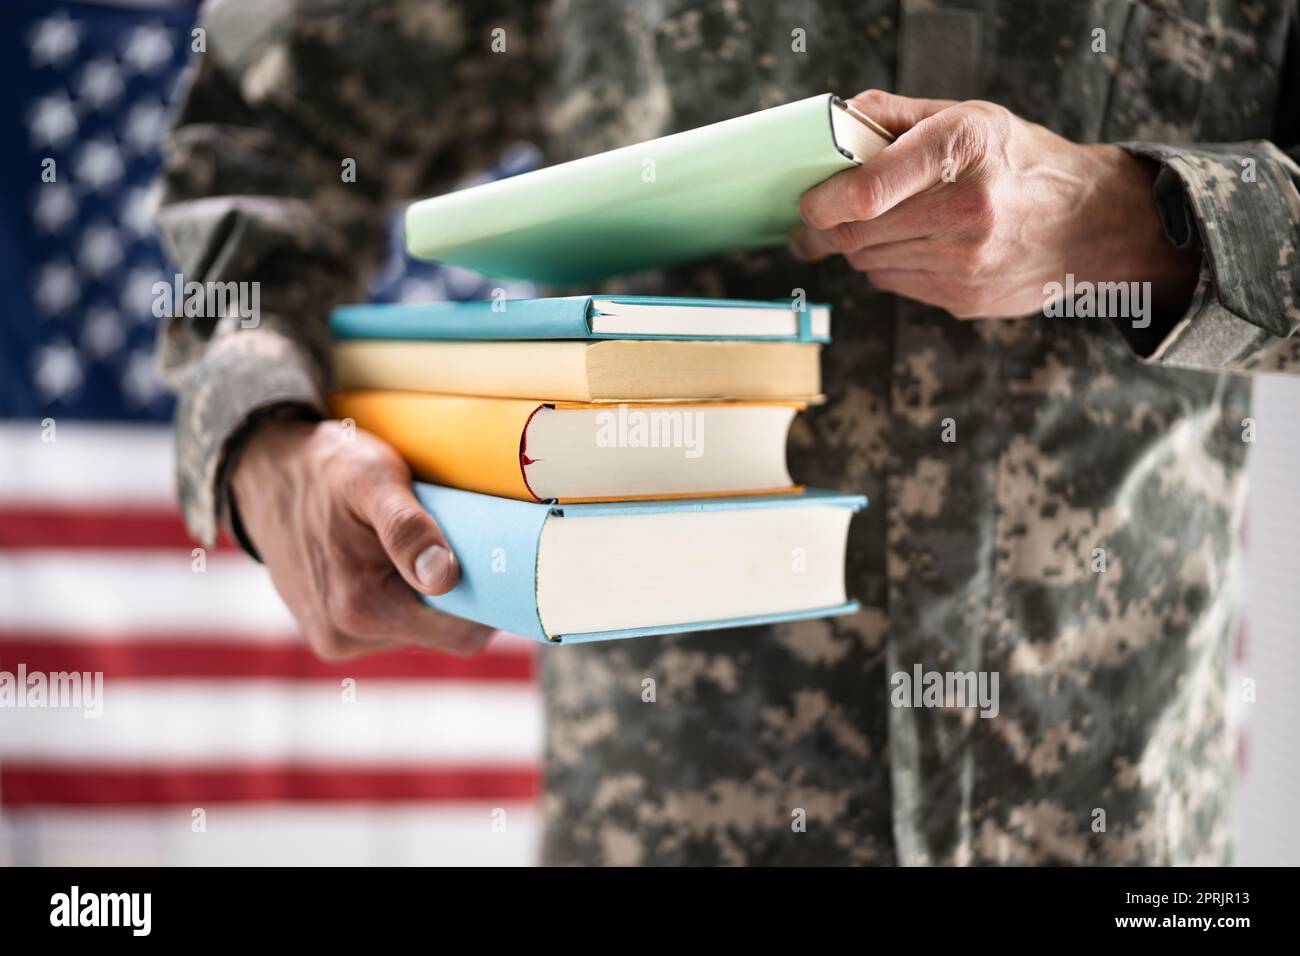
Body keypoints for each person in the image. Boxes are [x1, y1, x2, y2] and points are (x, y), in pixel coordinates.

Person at [154, 0, 1300, 865]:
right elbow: (261, 142)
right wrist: (263, 431)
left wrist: (1137, 219)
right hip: (669, 811)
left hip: (1124, 815)